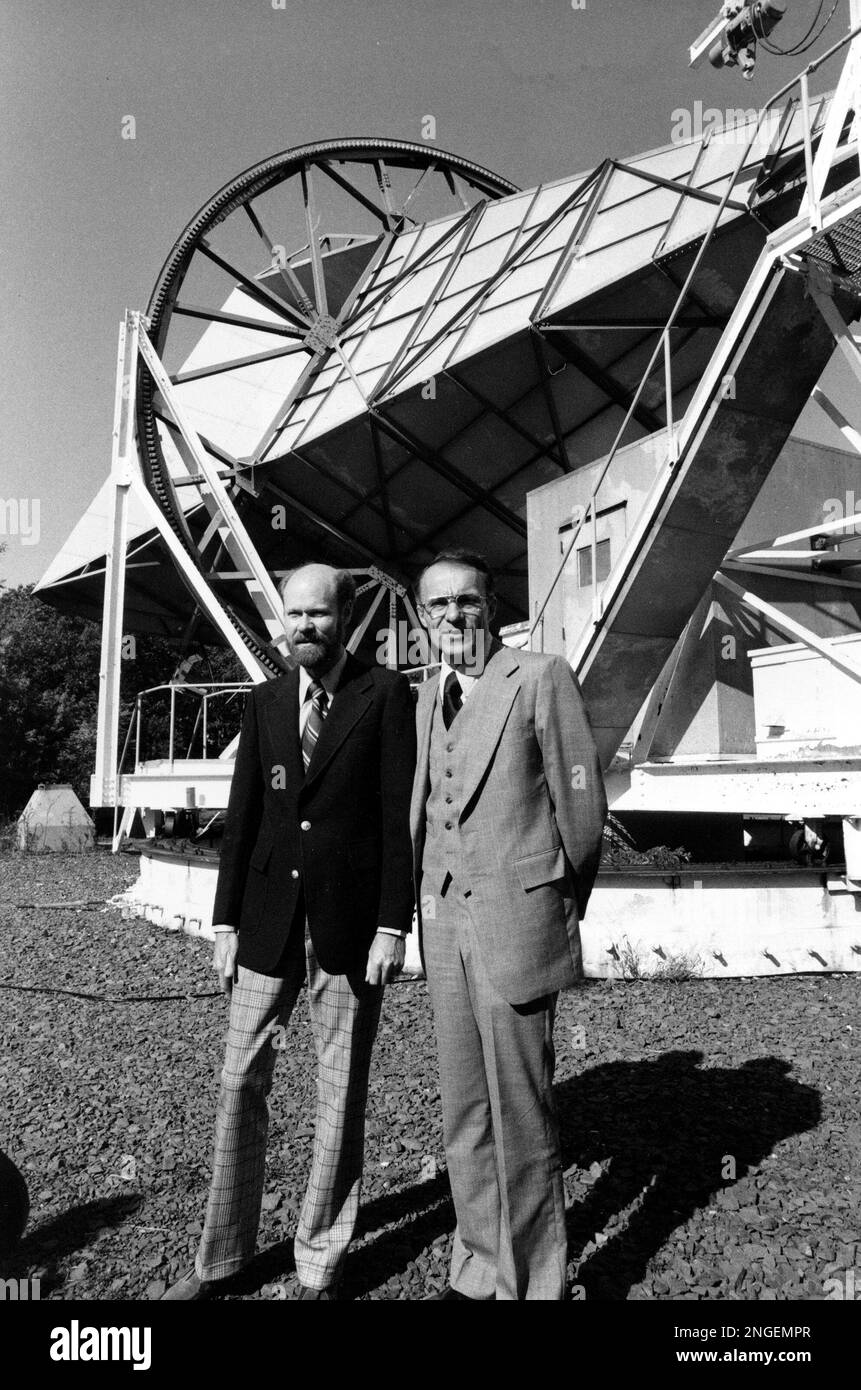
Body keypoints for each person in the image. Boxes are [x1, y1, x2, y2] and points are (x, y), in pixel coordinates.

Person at [163, 563, 416, 1300]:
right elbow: (243, 822)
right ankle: (222, 1259)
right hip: (267, 925)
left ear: (344, 618)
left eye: (319, 614)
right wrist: (224, 921)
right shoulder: (266, 702)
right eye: (293, 616)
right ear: (282, 623)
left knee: (339, 1095)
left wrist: (390, 927)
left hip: (348, 928)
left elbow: (398, 821)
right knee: (238, 1080)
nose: (304, 627)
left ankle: (319, 1262)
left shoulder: (384, 695)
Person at [411, 548, 607, 1301]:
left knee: (522, 1114)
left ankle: (535, 1283)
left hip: (516, 922)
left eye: (466, 601)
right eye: (437, 606)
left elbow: (580, 806)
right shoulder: (426, 696)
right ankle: (478, 1263)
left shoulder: (540, 676)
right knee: (464, 1109)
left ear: (490, 606)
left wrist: (551, 903)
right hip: (445, 929)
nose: (453, 616)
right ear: (422, 619)